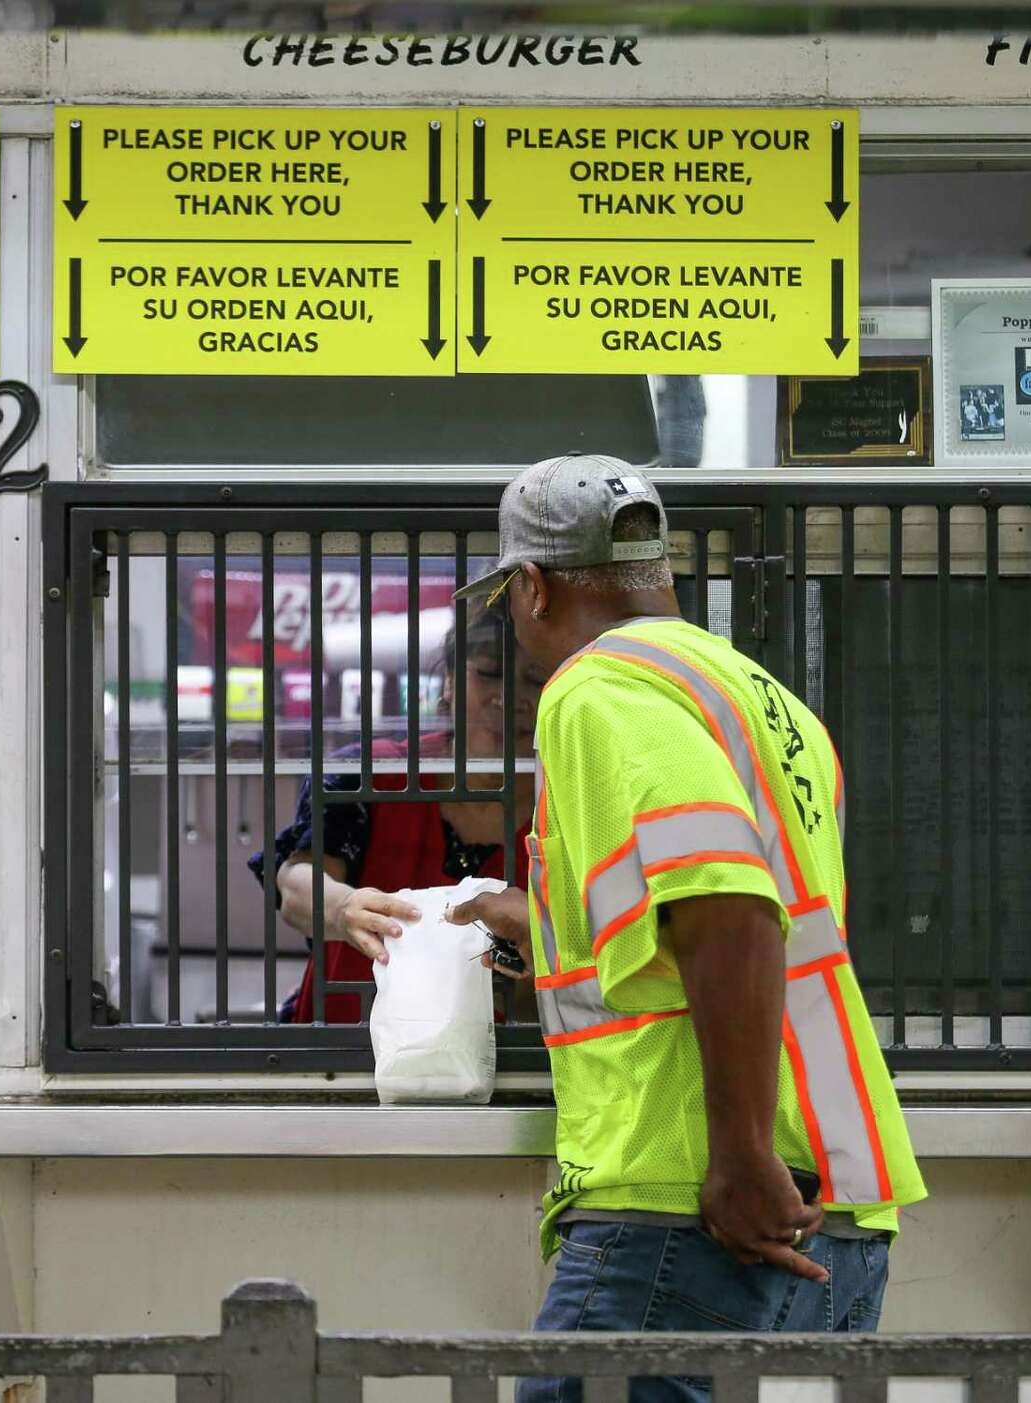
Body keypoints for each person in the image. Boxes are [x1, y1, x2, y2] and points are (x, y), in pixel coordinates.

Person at [449, 455, 926, 1401]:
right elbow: (735, 913)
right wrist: (544, 926)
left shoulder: (597, 688)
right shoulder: (760, 697)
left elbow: (731, 905)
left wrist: (739, 1155)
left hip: (692, 1203)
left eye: (509, 598)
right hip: (836, 1195)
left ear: (535, 587)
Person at [249, 602, 549, 1024]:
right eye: (488, 672)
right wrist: (343, 907)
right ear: (448, 681)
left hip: (497, 1066)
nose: (510, 699)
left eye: (536, 681)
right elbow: (296, 884)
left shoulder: (569, 803)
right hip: (338, 1056)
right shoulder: (368, 774)